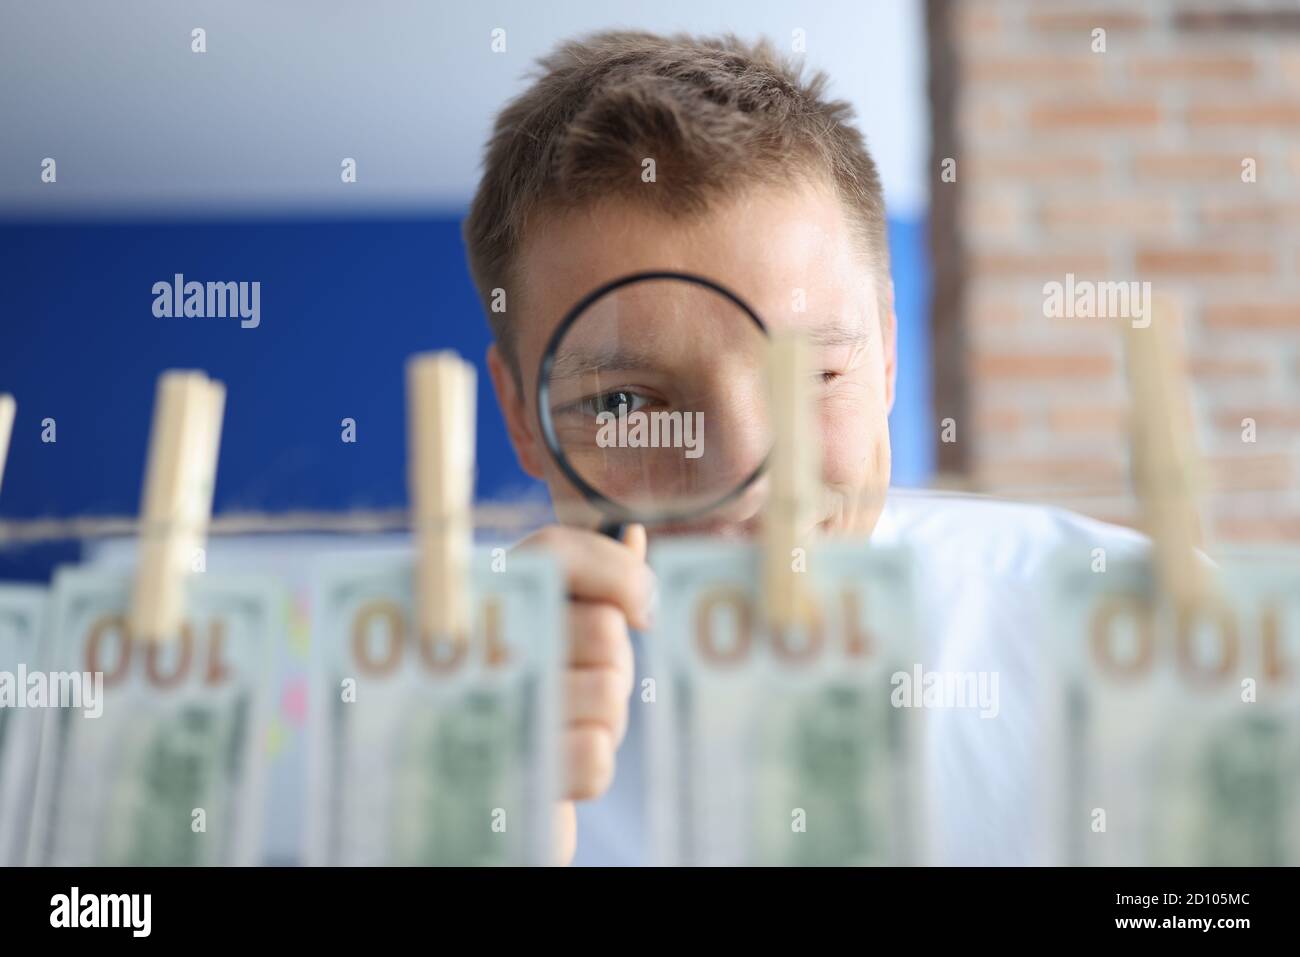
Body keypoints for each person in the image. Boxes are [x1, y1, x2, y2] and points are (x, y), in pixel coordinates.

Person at [463, 30, 1146, 865]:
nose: (742, 482)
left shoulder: (1154, 641)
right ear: (522, 417)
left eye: (810, 373)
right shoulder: (443, 738)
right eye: (624, 401)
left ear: (887, 357)